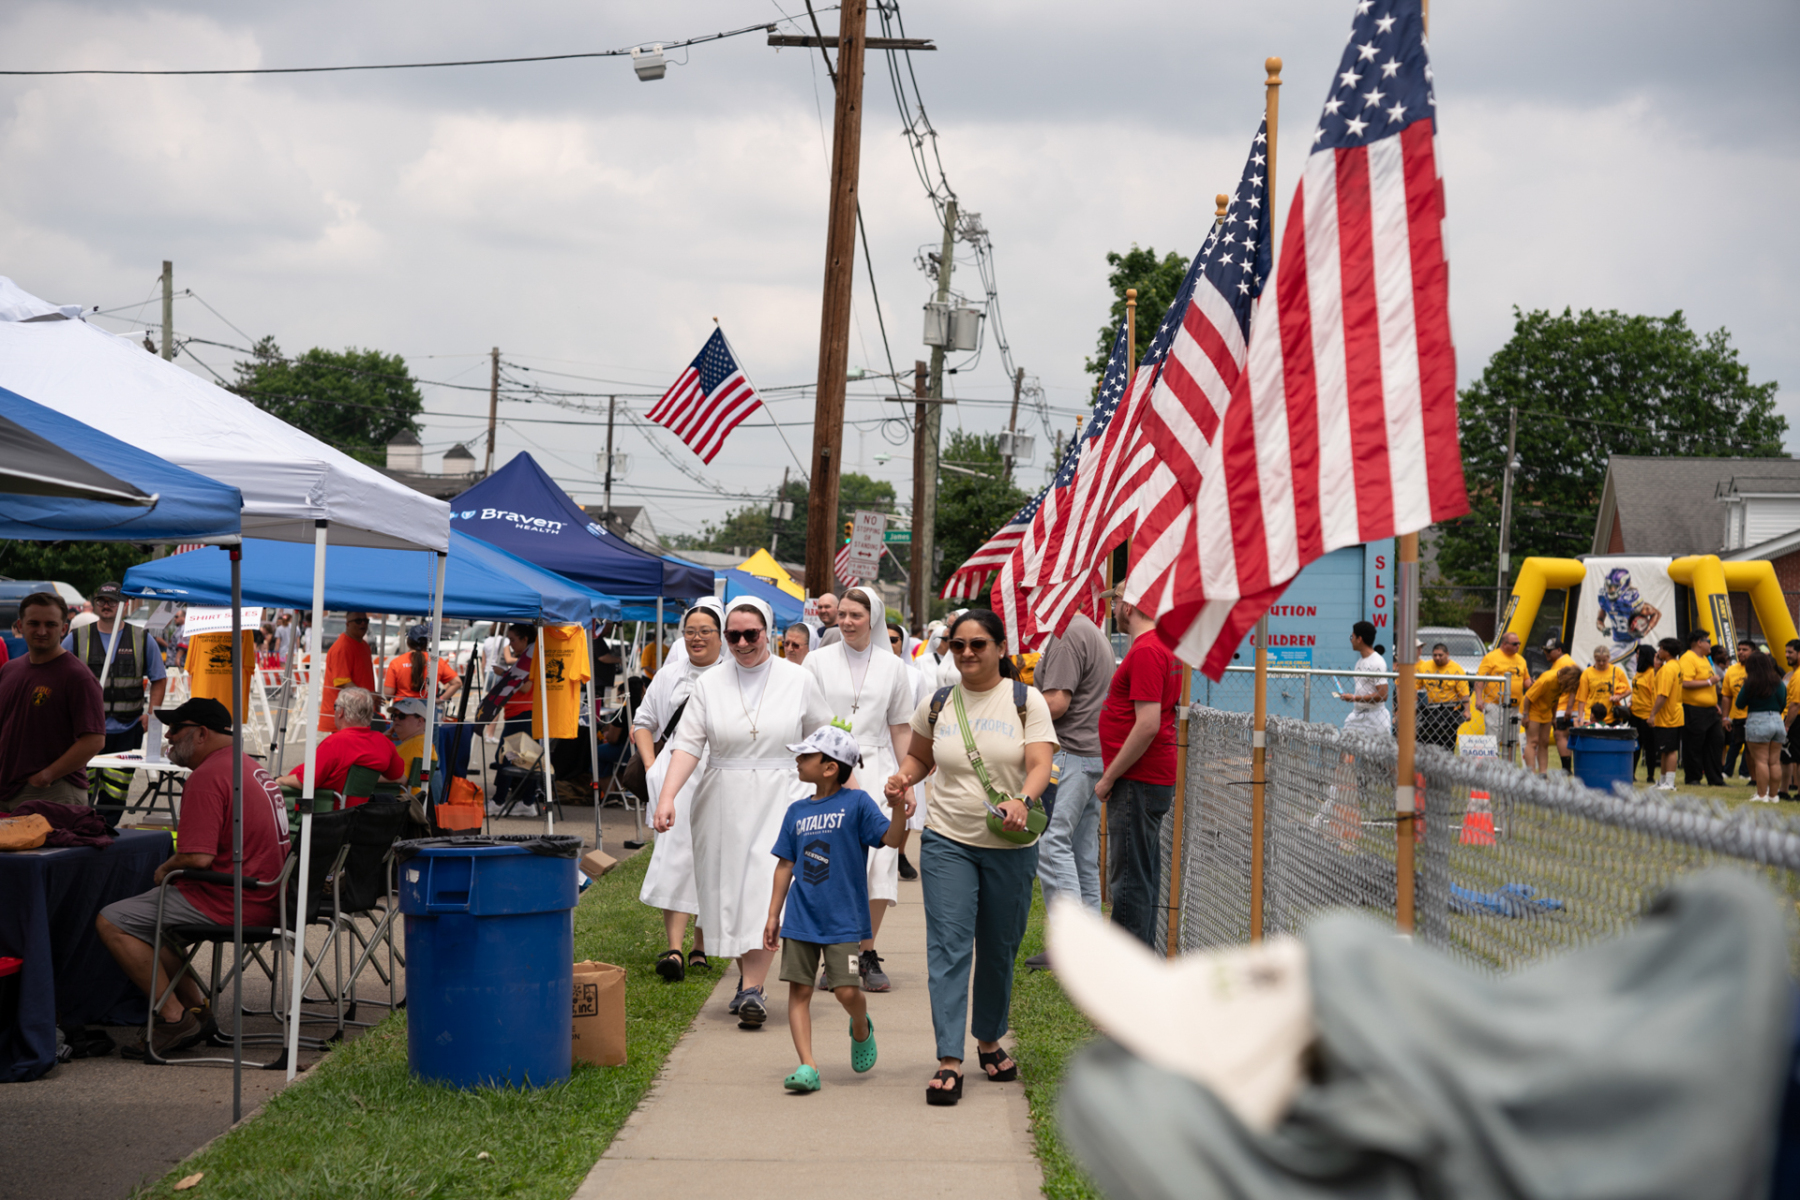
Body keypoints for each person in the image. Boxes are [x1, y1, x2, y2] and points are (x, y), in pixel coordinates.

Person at [884, 609, 1055, 1106]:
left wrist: (1023, 798)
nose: (967, 653)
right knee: (949, 948)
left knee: (999, 947)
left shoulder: (1027, 701)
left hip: (1009, 843)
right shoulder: (937, 703)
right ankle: (949, 1060)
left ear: (1001, 647)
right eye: (958, 645)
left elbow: (1042, 762)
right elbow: (920, 757)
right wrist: (904, 778)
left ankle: (988, 1038)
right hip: (947, 841)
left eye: (978, 644)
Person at [653, 597, 831, 1028]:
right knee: (728, 893)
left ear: (768, 632)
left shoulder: (798, 679)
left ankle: (752, 987)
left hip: (781, 793)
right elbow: (689, 744)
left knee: (763, 890)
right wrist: (667, 796)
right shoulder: (710, 684)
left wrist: (844, 793)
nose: (742, 643)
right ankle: (747, 979)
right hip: (722, 795)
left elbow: (824, 737)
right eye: (733, 635)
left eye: (751, 634)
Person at [94, 698, 289, 1059]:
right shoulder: (248, 767)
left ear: (201, 734)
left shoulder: (208, 776)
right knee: (152, 920)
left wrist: (165, 868)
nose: (166, 736)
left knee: (113, 920)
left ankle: (173, 1018)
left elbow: (198, 857)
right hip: (266, 896)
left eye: (175, 729)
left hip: (232, 900)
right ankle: (196, 1010)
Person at [763, 721, 908, 1092]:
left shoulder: (856, 803)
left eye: (806, 755)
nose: (798, 760)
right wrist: (773, 914)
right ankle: (808, 1066)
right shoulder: (796, 811)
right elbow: (785, 865)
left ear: (829, 767)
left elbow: (890, 840)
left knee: (846, 990)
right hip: (801, 917)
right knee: (800, 991)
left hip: (844, 919)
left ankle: (861, 1024)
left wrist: (897, 811)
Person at [801, 585, 918, 992]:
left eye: (856, 615)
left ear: (874, 619)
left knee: (879, 866)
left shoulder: (893, 668)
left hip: (879, 770)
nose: (847, 622)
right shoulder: (815, 662)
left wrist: (908, 780)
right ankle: (835, 957)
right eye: (843, 615)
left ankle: (865, 953)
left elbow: (901, 728)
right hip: (829, 769)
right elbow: (811, 723)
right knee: (830, 865)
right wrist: (837, 772)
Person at [636, 599, 726, 981]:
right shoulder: (669, 675)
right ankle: (673, 947)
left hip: (717, 777)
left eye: (706, 631)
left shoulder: (734, 676)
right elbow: (643, 722)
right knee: (674, 855)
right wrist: (652, 766)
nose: (697, 638)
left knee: (712, 859)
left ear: (721, 636)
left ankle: (700, 947)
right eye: (690, 631)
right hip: (673, 777)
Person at [1095, 592, 1180, 948]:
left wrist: (1110, 776)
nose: (1112, 610)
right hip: (1145, 777)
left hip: (1137, 778)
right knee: (1140, 874)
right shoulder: (1158, 645)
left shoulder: (1146, 650)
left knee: (1129, 878)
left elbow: (1147, 724)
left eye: (1114, 603)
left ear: (1127, 606)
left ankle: (1126, 970)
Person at [1031, 609, 1115, 942]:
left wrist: (1015, 702)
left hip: (1069, 752)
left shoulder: (1068, 633)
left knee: (1052, 844)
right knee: (1081, 853)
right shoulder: (1090, 630)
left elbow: (1055, 702)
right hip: (1091, 754)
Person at [65, 581, 168, 823]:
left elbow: (159, 679)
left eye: (112, 600)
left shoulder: (142, 639)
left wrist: (151, 715)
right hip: (85, 730)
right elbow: (58, 675)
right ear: (95, 603)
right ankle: (82, 831)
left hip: (127, 729)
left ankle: (105, 832)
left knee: (115, 793)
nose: (106, 605)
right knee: (81, 790)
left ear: (124, 604)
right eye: (101, 600)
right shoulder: (76, 639)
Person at [0, 591, 105, 811]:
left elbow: (94, 740)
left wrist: (46, 776)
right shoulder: (10, 670)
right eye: (33, 623)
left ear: (64, 628)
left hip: (53, 791)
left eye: (50, 624)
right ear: (20, 625)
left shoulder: (78, 677)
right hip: (9, 789)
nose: (41, 631)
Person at [276, 686, 404, 804]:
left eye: (335, 707)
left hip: (328, 813)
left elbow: (306, 782)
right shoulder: (383, 742)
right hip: (363, 815)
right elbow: (395, 774)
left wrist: (279, 780)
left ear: (341, 711)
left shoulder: (335, 743)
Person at [1737, 651, 1787, 802]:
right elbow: (1783, 703)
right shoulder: (1778, 681)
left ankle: (1762, 795)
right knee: (1774, 761)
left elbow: (1739, 703)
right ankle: (1774, 796)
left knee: (1760, 761)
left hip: (1758, 721)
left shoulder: (1750, 683)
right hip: (1778, 721)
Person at [1678, 630, 1725, 787]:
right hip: (1694, 710)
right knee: (1693, 745)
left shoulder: (1705, 659)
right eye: (1708, 641)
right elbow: (1685, 682)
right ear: (1699, 642)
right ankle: (1693, 778)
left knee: (1716, 743)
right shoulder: (1688, 658)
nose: (1710, 644)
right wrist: (1709, 682)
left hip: (1710, 710)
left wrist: (1714, 704)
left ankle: (1716, 779)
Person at [1475, 631, 1531, 756]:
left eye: (1519, 643)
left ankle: (1509, 767)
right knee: (1493, 737)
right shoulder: (1491, 657)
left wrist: (1534, 683)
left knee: (1512, 738)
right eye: (1515, 644)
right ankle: (1491, 767)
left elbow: (1526, 680)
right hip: (1496, 704)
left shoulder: (1521, 659)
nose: (1518, 646)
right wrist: (1478, 698)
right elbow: (1480, 679)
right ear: (1504, 644)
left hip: (1515, 706)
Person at [319, 612, 376, 733]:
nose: (363, 624)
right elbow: (342, 682)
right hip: (345, 716)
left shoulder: (364, 645)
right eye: (358, 621)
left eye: (366, 621)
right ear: (347, 624)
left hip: (358, 714)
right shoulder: (342, 647)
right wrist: (368, 697)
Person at [382, 624, 461, 709]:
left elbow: (388, 693)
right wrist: (440, 699)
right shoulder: (436, 662)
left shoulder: (396, 662)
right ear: (427, 643)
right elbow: (457, 683)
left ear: (408, 642)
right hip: (427, 709)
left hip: (402, 709)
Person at [1334, 622, 1390, 737]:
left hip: (1376, 717)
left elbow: (1383, 695)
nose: (1350, 640)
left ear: (1359, 639)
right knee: (1345, 746)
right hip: (1358, 714)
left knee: (1375, 754)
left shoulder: (1377, 662)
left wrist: (1354, 698)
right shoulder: (1360, 662)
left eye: (1352, 637)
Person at [1523, 665, 1581, 774]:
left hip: (1546, 711)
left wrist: (1554, 717)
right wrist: (1525, 715)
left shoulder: (1561, 683)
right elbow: (1528, 697)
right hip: (1532, 709)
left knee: (1544, 742)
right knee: (1533, 741)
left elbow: (1555, 699)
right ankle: (1531, 774)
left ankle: (1543, 773)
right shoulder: (1548, 680)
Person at [1416, 641, 1470, 751]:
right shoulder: (1425, 666)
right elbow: (1415, 688)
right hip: (1430, 709)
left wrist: (1467, 710)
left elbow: (1464, 694)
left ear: (1447, 654)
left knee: (1447, 743)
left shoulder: (1456, 669)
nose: (1437, 658)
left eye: (1440, 655)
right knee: (1426, 742)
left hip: (1449, 710)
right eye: (1435, 655)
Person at [1648, 638, 1685, 791]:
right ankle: (1663, 781)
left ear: (1667, 651)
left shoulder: (1668, 669)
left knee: (1669, 750)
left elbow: (1663, 695)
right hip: (1671, 714)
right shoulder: (1675, 666)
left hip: (1668, 715)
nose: (1658, 652)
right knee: (1664, 749)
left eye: (1661, 649)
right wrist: (1657, 667)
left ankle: (1670, 783)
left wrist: (1652, 714)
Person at [1572, 645, 1630, 726]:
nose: (1601, 663)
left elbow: (1628, 690)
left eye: (1604, 660)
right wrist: (1580, 717)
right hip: (1591, 716)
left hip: (1611, 717)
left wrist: (1619, 696)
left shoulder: (1617, 671)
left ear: (1609, 658)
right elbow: (1582, 698)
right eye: (1598, 660)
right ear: (1594, 658)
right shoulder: (1587, 673)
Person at [1722, 639, 1754, 780]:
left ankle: (1745, 772)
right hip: (1737, 716)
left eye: (1744, 649)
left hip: (1754, 715)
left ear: (1753, 652)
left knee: (1750, 746)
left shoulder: (1757, 669)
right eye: (1739, 649)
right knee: (1735, 744)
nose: (1740, 652)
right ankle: (1727, 771)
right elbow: (1726, 696)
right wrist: (1725, 717)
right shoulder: (1732, 670)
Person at [1628, 645, 1659, 782]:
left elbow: (1655, 695)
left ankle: (1650, 776)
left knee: (1649, 747)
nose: (1636, 656)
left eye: (1639, 654)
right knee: (1635, 746)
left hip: (1647, 716)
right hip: (1635, 714)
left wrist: (1653, 715)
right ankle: (1631, 774)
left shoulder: (1652, 674)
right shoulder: (1639, 672)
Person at [387, 696, 429, 791]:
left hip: (398, 802)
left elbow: (399, 778)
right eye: (394, 716)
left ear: (419, 722)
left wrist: (364, 777)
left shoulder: (415, 744)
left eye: (402, 716)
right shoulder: (419, 742)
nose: (396, 719)